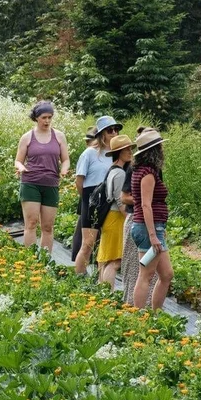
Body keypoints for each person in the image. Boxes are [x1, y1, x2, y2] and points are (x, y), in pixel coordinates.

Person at [15, 100, 70, 250]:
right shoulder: (27, 137)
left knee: (47, 227)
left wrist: (64, 169)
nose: (47, 121)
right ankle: (31, 261)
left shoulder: (59, 136)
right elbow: (18, 161)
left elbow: (65, 160)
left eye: (49, 117)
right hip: (30, 183)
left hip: (51, 184)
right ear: (36, 118)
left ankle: (45, 263)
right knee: (31, 223)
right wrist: (21, 168)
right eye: (44, 117)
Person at [130, 129, 173, 310]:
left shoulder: (145, 171)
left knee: (167, 274)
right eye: (160, 147)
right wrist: (153, 235)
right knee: (145, 275)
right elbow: (146, 205)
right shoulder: (147, 174)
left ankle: (155, 314)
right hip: (149, 229)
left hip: (154, 228)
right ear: (154, 151)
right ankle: (138, 318)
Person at [73, 116, 121, 274]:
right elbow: (79, 181)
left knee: (105, 243)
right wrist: (88, 200)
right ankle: (79, 277)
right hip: (92, 198)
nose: (114, 133)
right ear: (102, 134)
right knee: (88, 243)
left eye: (116, 129)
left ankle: (102, 280)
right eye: (110, 130)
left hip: (110, 199)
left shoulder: (117, 154)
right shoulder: (89, 154)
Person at [120, 127, 158, 304]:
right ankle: (134, 308)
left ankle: (146, 309)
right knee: (137, 269)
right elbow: (124, 197)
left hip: (148, 223)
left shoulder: (154, 170)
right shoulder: (138, 170)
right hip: (140, 222)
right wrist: (146, 200)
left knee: (153, 272)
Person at [96, 134, 134, 287]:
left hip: (111, 218)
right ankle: (108, 294)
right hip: (116, 218)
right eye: (127, 149)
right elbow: (120, 201)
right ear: (119, 152)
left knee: (107, 259)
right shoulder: (119, 173)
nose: (130, 152)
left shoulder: (113, 170)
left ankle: (102, 292)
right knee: (115, 260)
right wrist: (129, 220)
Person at [70, 126, 101, 260]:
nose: (90, 143)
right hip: (88, 195)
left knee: (86, 230)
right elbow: (79, 180)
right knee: (84, 233)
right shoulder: (88, 154)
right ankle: (77, 258)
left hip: (96, 196)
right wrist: (86, 198)